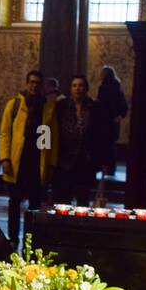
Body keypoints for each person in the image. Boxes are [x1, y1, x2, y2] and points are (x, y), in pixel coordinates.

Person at [0, 69, 60, 243]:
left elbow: (49, 138)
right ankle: (13, 236)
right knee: (14, 201)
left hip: (36, 160)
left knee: (35, 202)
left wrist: (50, 164)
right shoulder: (15, 104)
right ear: (27, 84)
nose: (33, 85)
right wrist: (5, 158)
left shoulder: (46, 108)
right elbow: (5, 133)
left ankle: (31, 238)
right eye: (31, 82)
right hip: (17, 159)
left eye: (37, 83)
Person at [53, 74, 103, 205]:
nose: (77, 89)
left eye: (80, 85)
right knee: (62, 200)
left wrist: (101, 160)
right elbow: (48, 128)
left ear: (86, 88)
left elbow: (102, 135)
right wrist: (44, 150)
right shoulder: (61, 106)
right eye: (74, 85)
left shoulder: (94, 108)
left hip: (85, 161)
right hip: (63, 161)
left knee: (83, 200)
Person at [95, 64, 129, 176]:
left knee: (106, 145)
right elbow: (123, 106)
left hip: (106, 121)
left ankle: (105, 167)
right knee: (109, 146)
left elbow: (102, 104)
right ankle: (109, 168)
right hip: (110, 121)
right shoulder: (116, 87)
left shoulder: (105, 88)